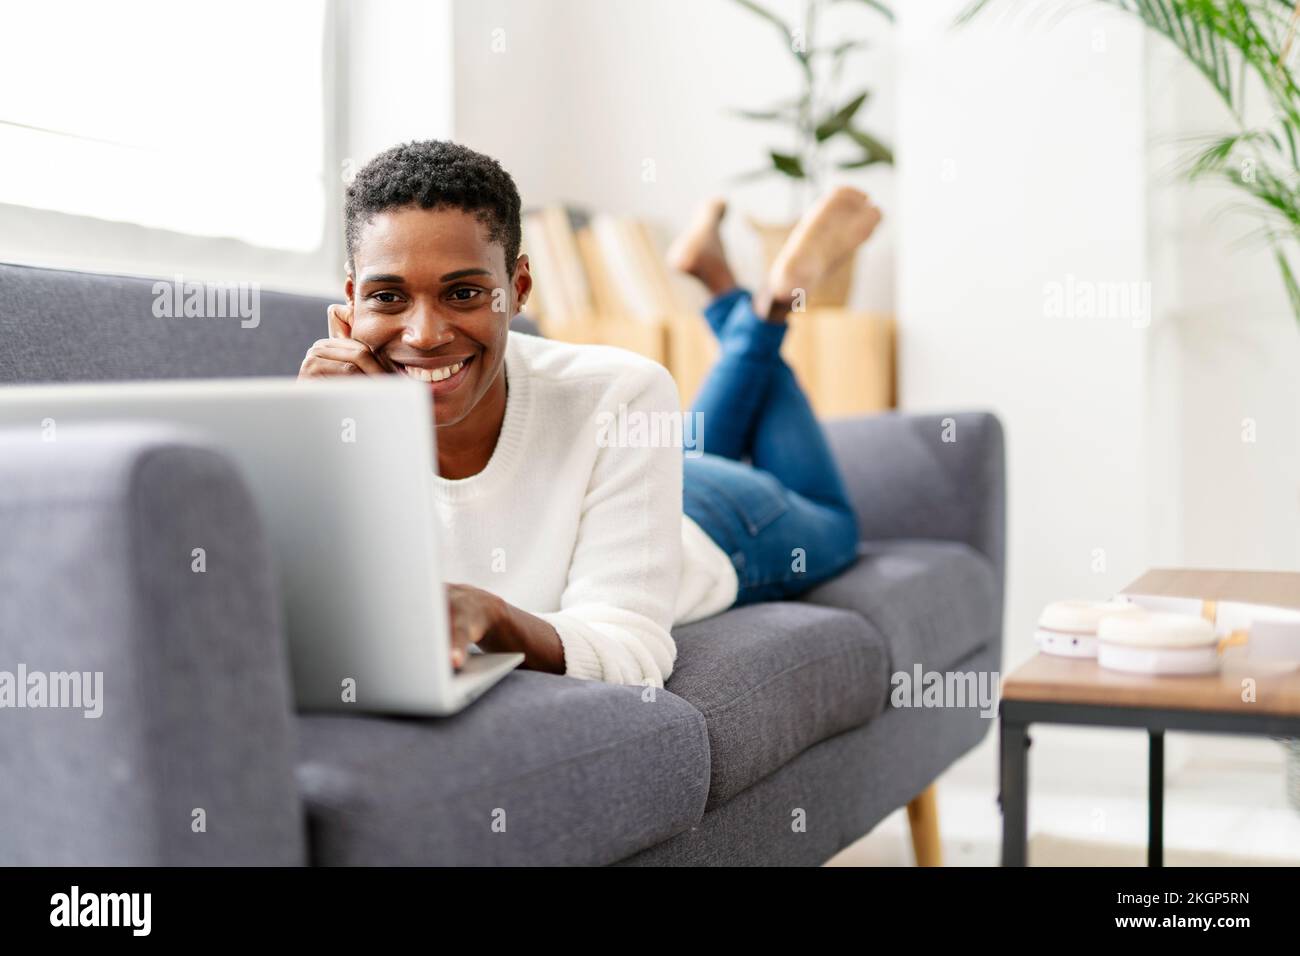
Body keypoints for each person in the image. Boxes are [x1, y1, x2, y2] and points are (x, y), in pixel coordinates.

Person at [298, 140, 880, 686]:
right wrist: (325, 447)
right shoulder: (326, 419)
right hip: (631, 476)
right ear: (350, 301)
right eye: (387, 297)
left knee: (836, 523)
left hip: (713, 523)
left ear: (518, 287)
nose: (424, 336)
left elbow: (633, 651)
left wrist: (492, 614)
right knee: (691, 445)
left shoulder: (618, 391)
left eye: (464, 293)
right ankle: (734, 291)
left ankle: (771, 306)